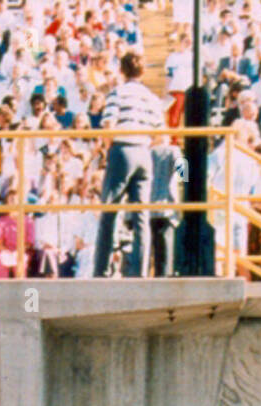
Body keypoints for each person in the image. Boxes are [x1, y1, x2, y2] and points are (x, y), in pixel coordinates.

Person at [94, 52, 164, 277]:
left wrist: (109, 148)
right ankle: (141, 271)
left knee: (109, 211)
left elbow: (108, 124)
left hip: (122, 149)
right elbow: (161, 135)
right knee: (141, 216)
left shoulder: (118, 93)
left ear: (122, 70)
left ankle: (101, 270)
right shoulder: (151, 98)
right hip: (144, 152)